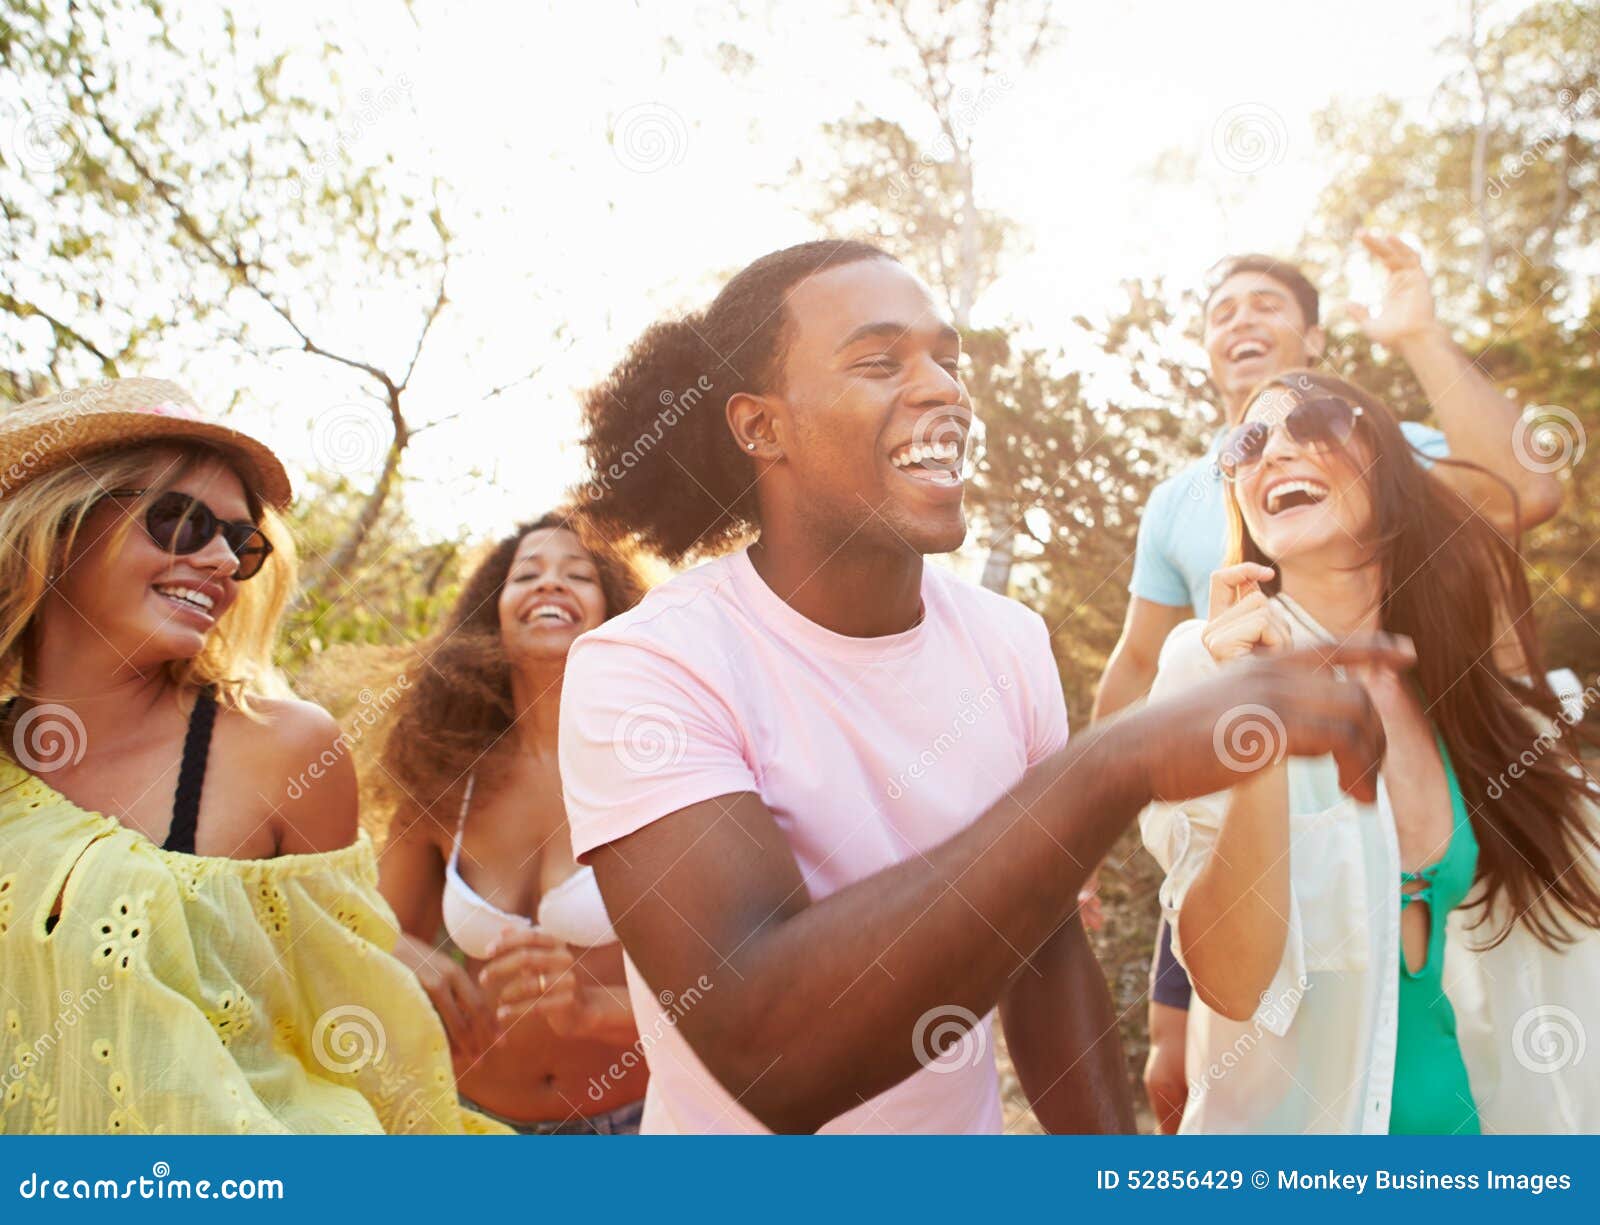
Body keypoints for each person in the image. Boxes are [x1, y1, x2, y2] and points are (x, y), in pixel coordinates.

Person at [557, 239, 1414, 1134]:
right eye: (881, 361)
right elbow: (772, 1057)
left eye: (948, 360)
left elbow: (1044, 952)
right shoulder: (649, 666)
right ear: (760, 426)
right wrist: (1112, 762)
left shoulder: (1007, 642)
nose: (944, 390)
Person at [1089, 236, 1566, 1130]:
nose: (1275, 455)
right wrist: (1084, 804)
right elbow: (1140, 661)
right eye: (1253, 445)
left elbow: (1526, 489)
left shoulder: (1438, 673)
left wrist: (1420, 335)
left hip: (1461, 1132)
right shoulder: (1180, 511)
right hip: (1222, 765)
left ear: (1314, 336)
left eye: (1265, 304)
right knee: (1187, 1058)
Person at [0, 378, 502, 1134]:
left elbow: (355, 1035)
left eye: (243, 543)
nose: (219, 562)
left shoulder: (285, 750)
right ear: (60, 523)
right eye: (178, 520)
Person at [375, 511, 650, 1134]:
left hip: (636, 1125)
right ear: (493, 613)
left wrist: (592, 1008)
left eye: (578, 575)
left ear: (615, 612)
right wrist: (409, 954)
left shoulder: (657, 767)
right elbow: (368, 932)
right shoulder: (447, 776)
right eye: (528, 574)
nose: (550, 584)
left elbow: (735, 993)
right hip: (467, 1124)